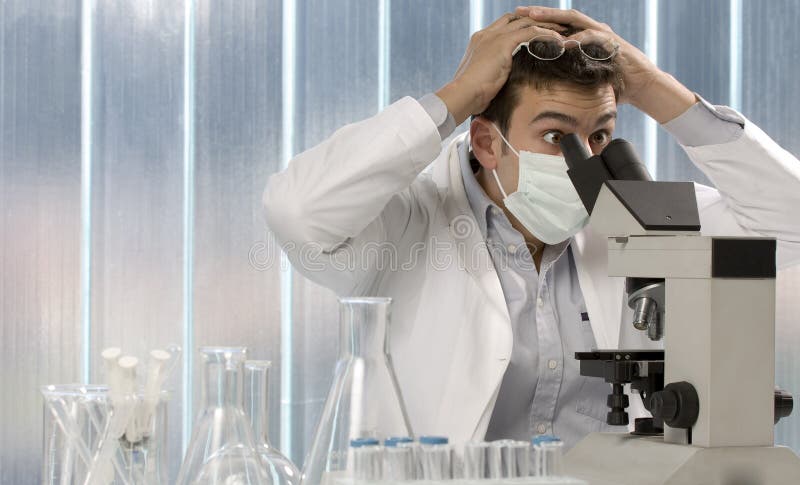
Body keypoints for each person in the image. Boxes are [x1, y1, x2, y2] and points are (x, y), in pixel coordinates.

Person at [263, 7, 800, 449]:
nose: (584, 160)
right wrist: (459, 95)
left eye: (600, 136)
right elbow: (298, 213)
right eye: (554, 137)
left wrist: (653, 87)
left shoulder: (639, 217)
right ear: (487, 143)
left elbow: (791, 219)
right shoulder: (407, 224)